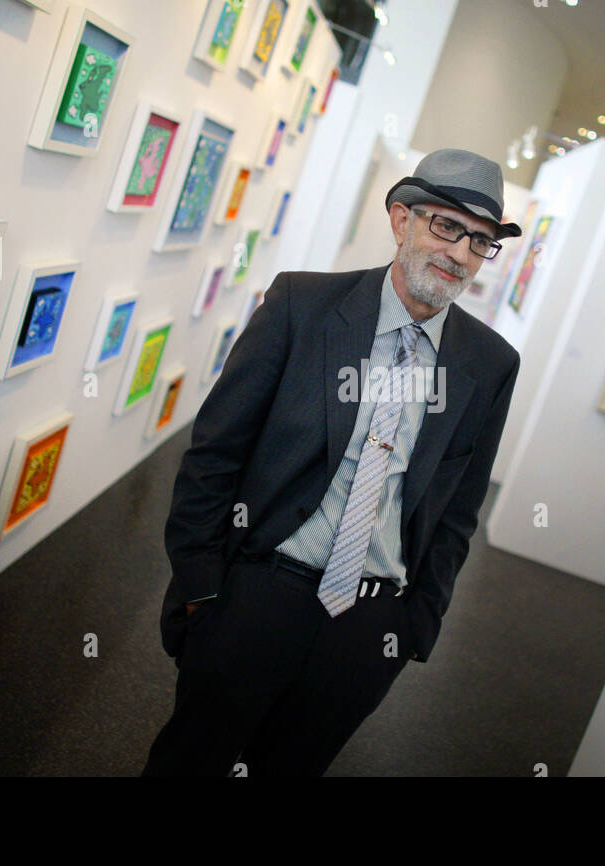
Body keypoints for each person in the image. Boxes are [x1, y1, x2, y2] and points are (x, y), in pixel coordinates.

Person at [142, 148, 522, 776]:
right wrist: (202, 588)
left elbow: (459, 509)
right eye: (445, 226)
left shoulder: (488, 364)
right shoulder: (302, 305)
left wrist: (413, 628)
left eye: (480, 241)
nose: (459, 253)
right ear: (401, 220)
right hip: (260, 588)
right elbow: (214, 454)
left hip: (370, 622)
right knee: (189, 763)